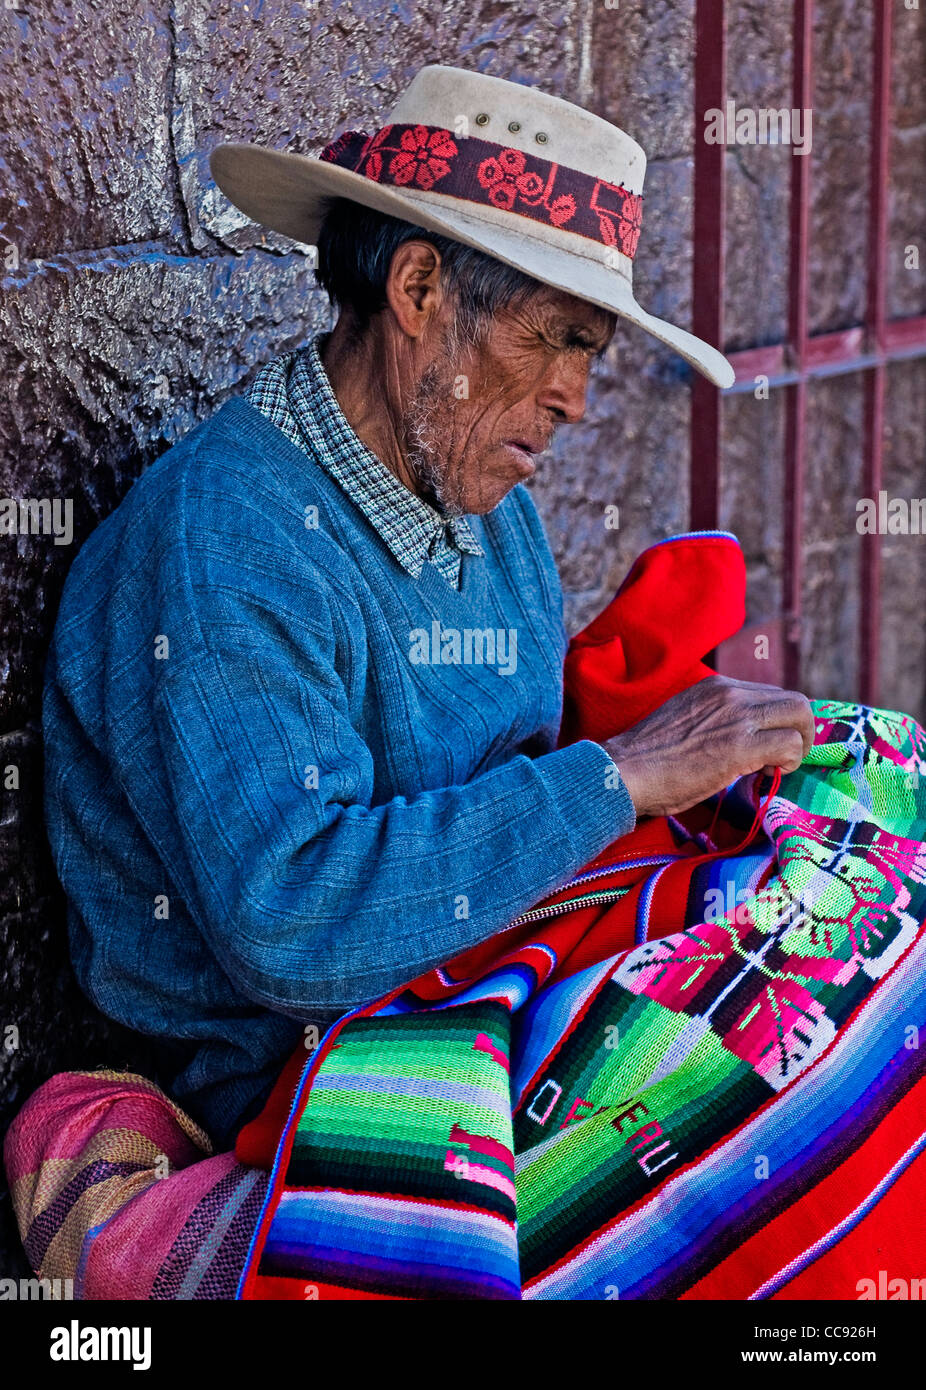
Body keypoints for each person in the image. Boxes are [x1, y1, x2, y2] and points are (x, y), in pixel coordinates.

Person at [41, 64, 813, 1150]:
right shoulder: (227, 539)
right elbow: (292, 923)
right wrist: (621, 775)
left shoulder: (478, 494)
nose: (573, 400)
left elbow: (521, 783)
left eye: (590, 355)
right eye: (553, 339)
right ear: (416, 293)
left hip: (496, 995)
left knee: (841, 936)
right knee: (774, 1130)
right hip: (322, 1083)